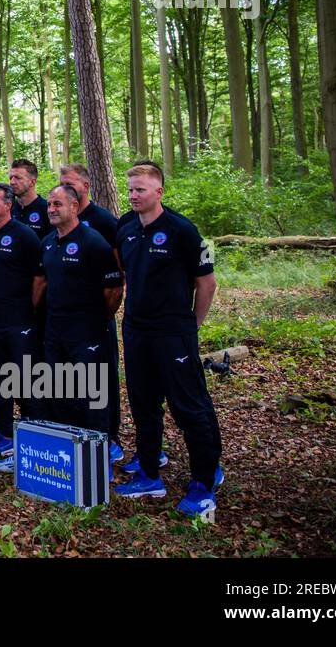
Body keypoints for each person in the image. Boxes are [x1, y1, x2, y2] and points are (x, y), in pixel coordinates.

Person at [114, 163, 224, 518]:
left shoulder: (182, 230)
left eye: (141, 189)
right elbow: (126, 272)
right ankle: (149, 474)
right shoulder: (126, 228)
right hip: (136, 331)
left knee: (189, 408)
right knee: (144, 404)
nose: (133, 195)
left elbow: (207, 284)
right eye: (131, 189)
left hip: (174, 333)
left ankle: (203, 484)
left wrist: (191, 326)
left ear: (158, 192)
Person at [39, 184, 122, 432]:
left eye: (57, 204)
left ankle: (99, 445)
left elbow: (114, 290)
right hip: (55, 329)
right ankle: (66, 441)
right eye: (49, 205)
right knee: (59, 391)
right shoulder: (48, 242)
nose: (51, 209)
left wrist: (98, 318)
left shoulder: (93, 242)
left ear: (74, 206)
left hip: (87, 331)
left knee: (90, 394)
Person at [0, 183, 46, 462]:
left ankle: (33, 444)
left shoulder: (24, 235)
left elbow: (39, 278)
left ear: (8, 205)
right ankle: (5, 438)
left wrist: (25, 309)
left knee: (25, 385)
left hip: (19, 324)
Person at [58, 161, 123, 459]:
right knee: (68, 380)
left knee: (101, 379)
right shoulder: (59, 216)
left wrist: (105, 313)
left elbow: (117, 271)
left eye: (70, 183)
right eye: (62, 183)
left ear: (85, 186)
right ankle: (74, 435)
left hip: (97, 317)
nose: (66, 187)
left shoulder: (103, 221)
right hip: (65, 318)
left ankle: (110, 439)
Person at [9, 159, 51, 240]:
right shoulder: (8, 208)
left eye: (18, 178)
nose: (12, 182)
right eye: (11, 178)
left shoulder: (47, 210)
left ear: (32, 182)